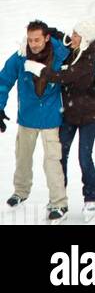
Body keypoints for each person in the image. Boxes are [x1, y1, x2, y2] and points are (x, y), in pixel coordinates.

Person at [0, 21, 70, 221]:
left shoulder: (62, 54)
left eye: (37, 40)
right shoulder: (20, 57)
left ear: (47, 38)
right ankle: (20, 192)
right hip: (28, 118)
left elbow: (82, 73)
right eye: (30, 40)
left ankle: (59, 203)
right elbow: (3, 80)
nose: (33, 44)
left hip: (51, 118)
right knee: (22, 157)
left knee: (52, 163)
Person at [38, 21, 95, 220]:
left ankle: (90, 198)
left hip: (89, 117)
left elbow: (64, 76)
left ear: (85, 39)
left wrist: (43, 71)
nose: (72, 37)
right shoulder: (75, 47)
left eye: (77, 35)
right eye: (73, 33)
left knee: (84, 157)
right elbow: (63, 39)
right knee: (59, 156)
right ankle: (59, 199)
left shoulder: (87, 59)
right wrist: (48, 31)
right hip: (69, 116)